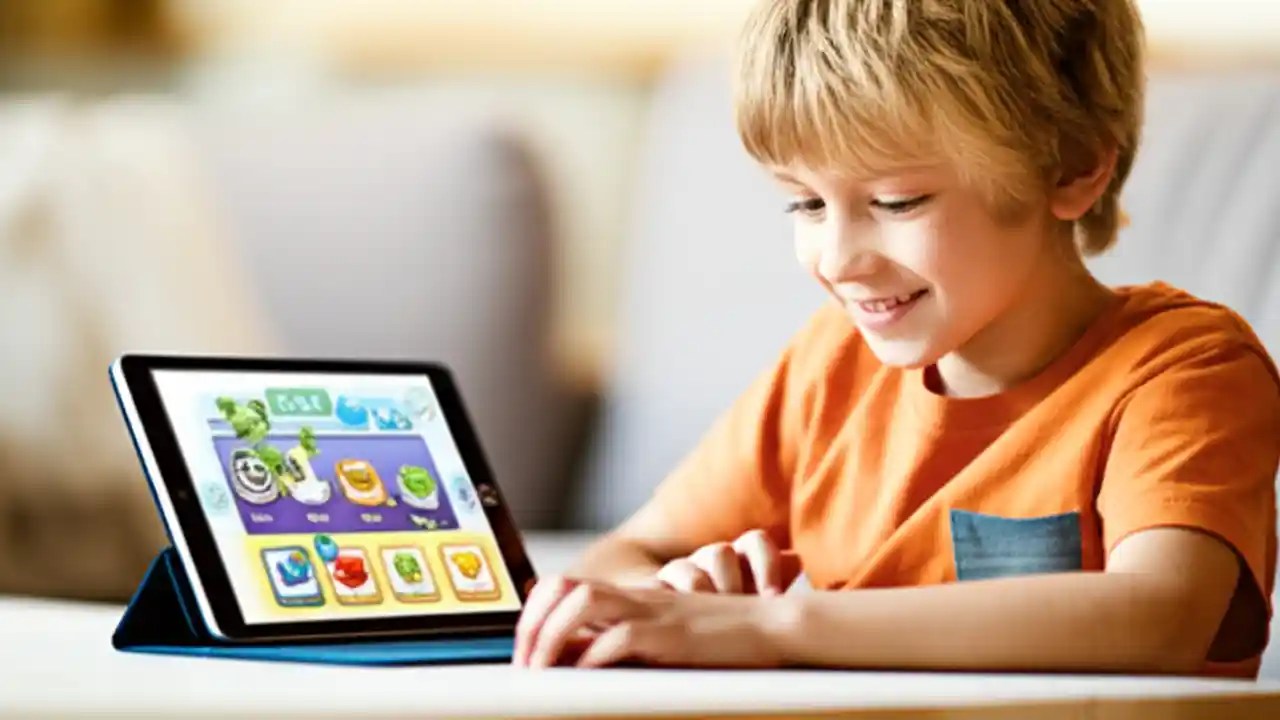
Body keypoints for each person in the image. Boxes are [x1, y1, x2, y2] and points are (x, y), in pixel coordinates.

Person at [514, 0, 1280, 677]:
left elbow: (1164, 615)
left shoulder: (1183, 369)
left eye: (897, 200)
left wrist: (771, 626)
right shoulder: (828, 366)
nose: (839, 259)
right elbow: (620, 555)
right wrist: (677, 600)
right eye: (807, 205)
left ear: (1072, 167)